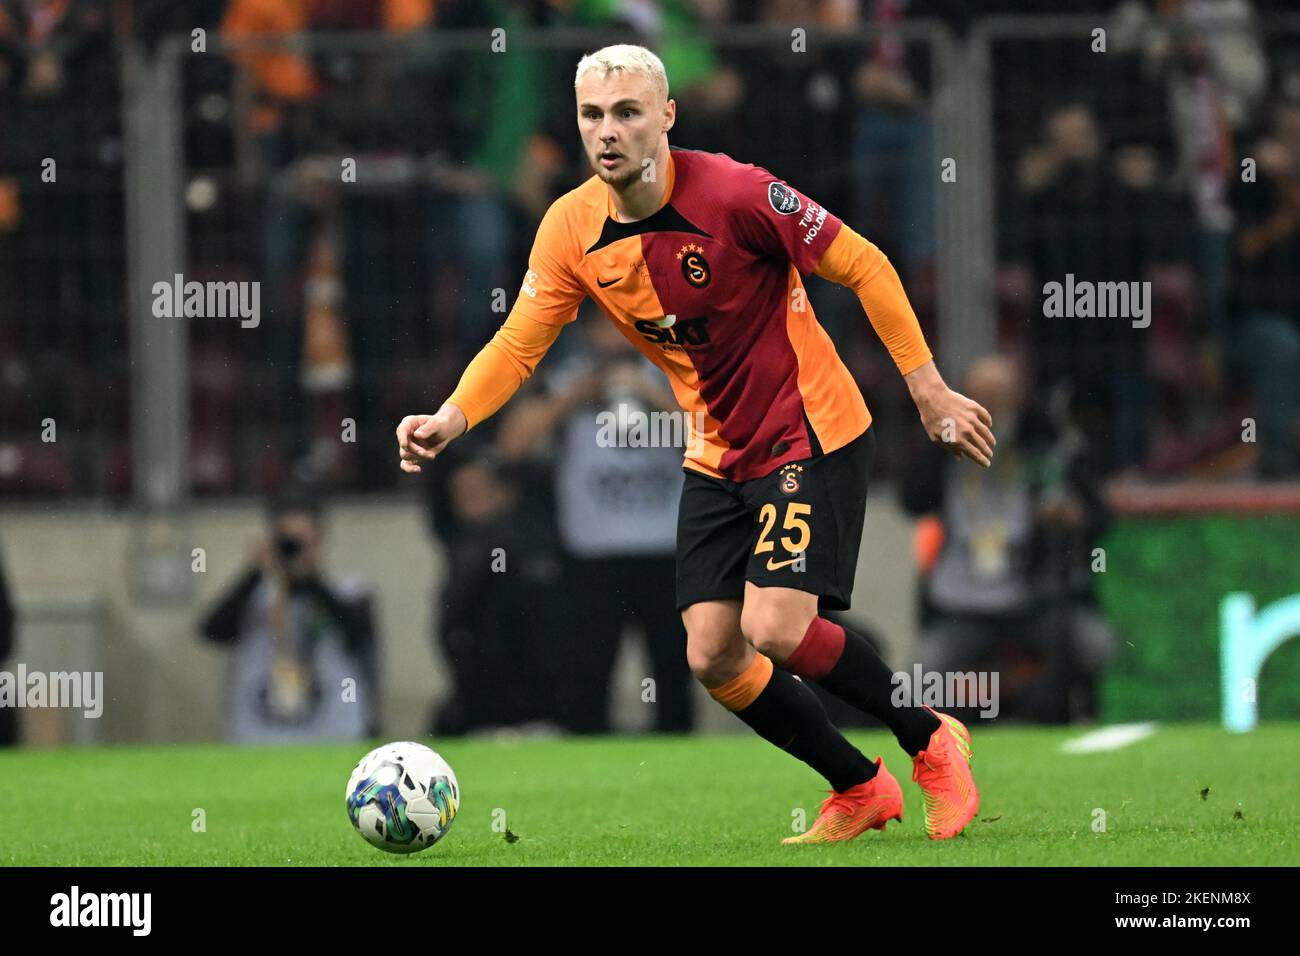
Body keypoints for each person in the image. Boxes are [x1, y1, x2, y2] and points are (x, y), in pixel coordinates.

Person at [396, 45, 995, 843]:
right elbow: (517, 345)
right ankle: (859, 786)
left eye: (627, 112)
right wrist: (451, 416)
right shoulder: (571, 227)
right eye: (591, 116)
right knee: (712, 654)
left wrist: (927, 387)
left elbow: (865, 263)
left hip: (807, 429)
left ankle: (928, 740)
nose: (607, 132)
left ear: (667, 116)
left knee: (775, 628)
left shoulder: (739, 193)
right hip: (716, 449)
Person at [901, 356, 1115, 724]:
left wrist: (1073, 516)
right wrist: (942, 438)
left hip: (1032, 599)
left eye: (1000, 398)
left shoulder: (1047, 449)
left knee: (1096, 644)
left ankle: (1076, 718)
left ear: (1019, 399)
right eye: (980, 398)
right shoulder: (944, 452)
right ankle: (941, 741)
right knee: (920, 673)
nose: (990, 410)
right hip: (960, 604)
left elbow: (1100, 516)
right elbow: (911, 499)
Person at [199, 486, 379, 743]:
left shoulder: (350, 592)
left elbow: (359, 634)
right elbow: (212, 632)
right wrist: (254, 572)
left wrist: (311, 579)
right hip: (259, 736)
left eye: (305, 541)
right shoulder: (255, 597)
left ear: (321, 541)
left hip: (333, 734)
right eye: (288, 542)